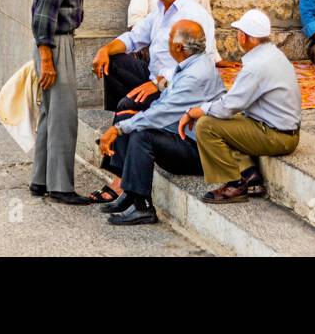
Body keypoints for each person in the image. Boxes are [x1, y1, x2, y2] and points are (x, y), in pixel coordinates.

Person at [96, 20, 224, 224]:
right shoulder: (194, 61)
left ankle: (143, 207)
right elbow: (169, 81)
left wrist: (118, 129)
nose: (167, 41)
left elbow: (161, 113)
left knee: (140, 134)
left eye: (170, 37)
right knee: (127, 114)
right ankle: (129, 192)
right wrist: (155, 85)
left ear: (179, 47)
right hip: (183, 135)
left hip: (198, 151)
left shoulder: (195, 76)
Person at [178, 9, 301, 204]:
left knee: (206, 125)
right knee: (222, 117)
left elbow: (228, 107)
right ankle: (249, 174)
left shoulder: (256, 66)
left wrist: (195, 111)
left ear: (243, 37)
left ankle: (235, 184)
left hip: (278, 136)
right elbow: (233, 105)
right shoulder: (272, 54)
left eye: (238, 33)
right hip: (281, 130)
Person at [92, 0, 220, 118]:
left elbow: (199, 66)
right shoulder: (160, 11)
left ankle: (130, 118)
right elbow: (133, 38)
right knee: (114, 60)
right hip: (154, 76)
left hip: (177, 86)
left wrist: (158, 85)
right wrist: (105, 50)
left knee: (126, 105)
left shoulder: (193, 15)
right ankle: (122, 118)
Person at [31, 0, 95, 205]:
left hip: (54, 45)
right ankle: (60, 186)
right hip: (55, 45)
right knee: (63, 116)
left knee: (50, 113)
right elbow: (43, 16)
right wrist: (47, 59)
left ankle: (41, 179)